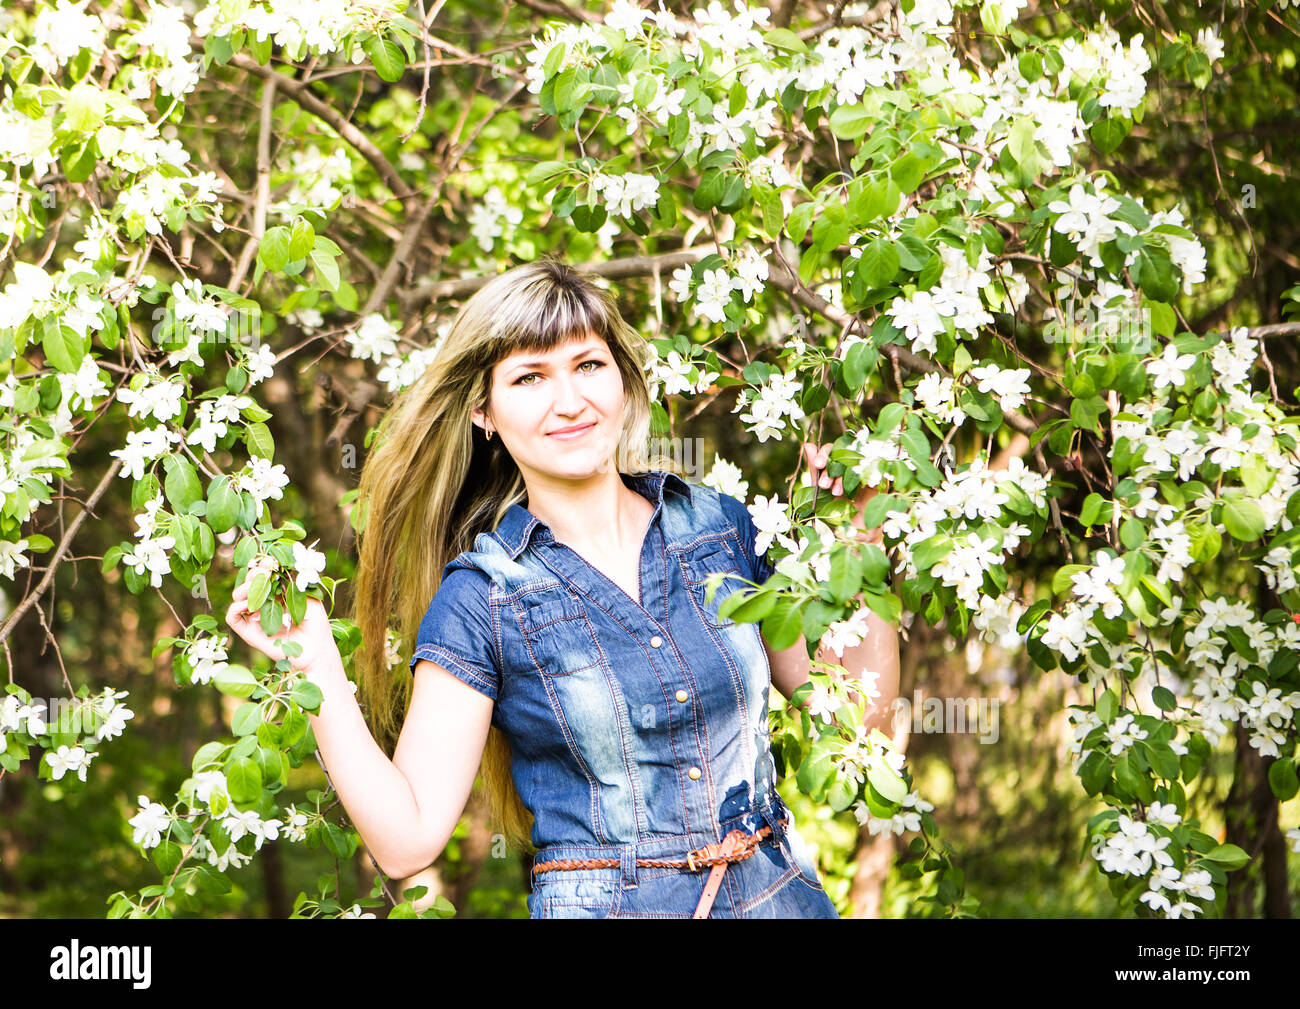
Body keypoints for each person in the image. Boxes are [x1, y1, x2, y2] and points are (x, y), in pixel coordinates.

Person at [225, 257, 900, 918]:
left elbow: (855, 719)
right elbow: (407, 841)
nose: (570, 401)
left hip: (780, 899)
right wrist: (312, 663)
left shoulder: (715, 526)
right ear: (484, 411)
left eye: (588, 365)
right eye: (530, 377)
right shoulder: (483, 598)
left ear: (623, 381)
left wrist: (860, 550)